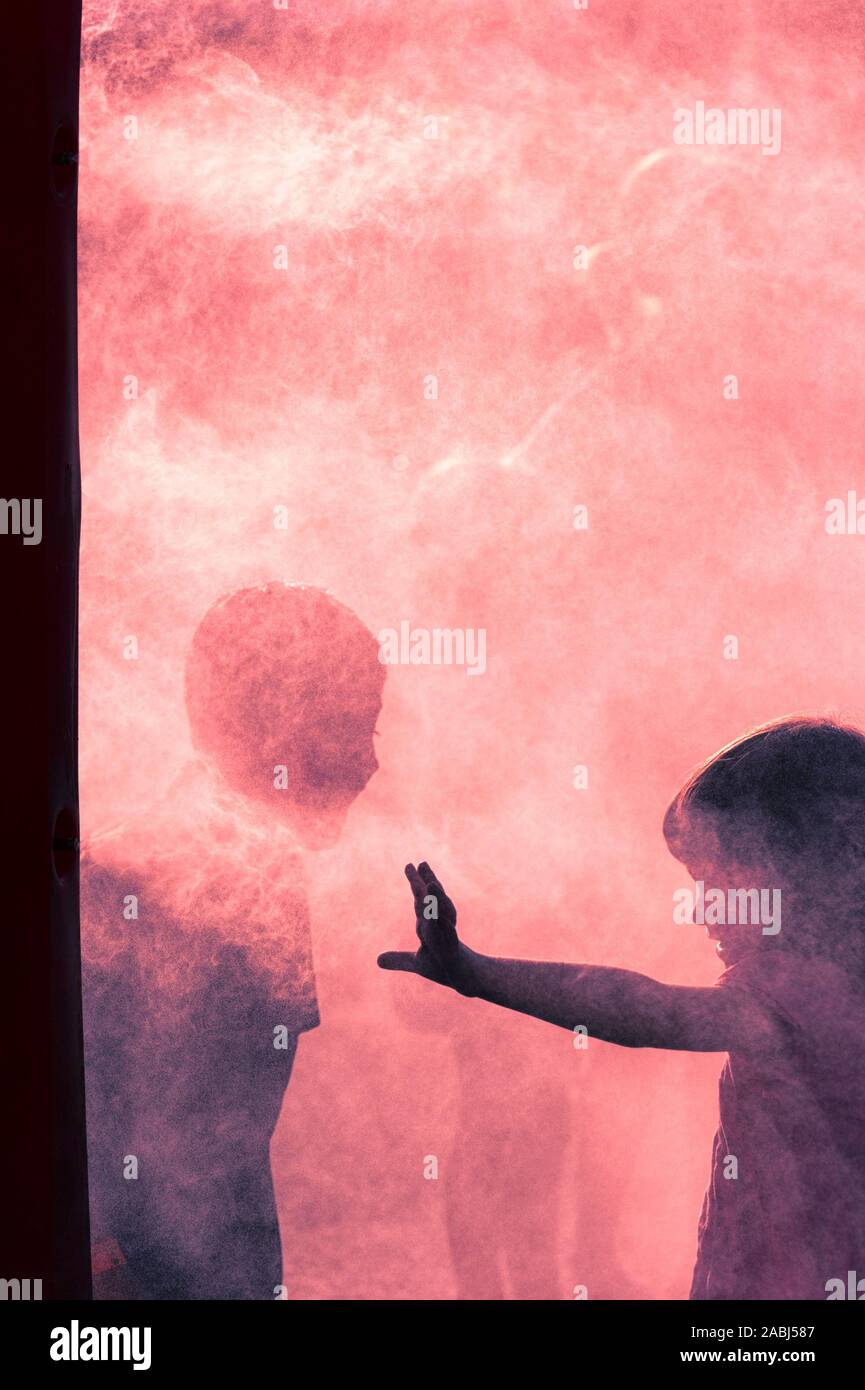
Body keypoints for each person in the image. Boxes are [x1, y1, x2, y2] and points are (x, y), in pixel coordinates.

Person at [379, 717, 865, 1300]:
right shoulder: (836, 981)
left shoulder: (794, 994)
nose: (698, 908)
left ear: (802, 871)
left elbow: (642, 1010)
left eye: (715, 881)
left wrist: (474, 972)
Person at [83, 582, 384, 1299]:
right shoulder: (138, 883)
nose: (370, 762)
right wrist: (103, 1272)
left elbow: (233, 1142)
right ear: (281, 725)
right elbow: (100, 1128)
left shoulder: (260, 872)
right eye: (354, 726)